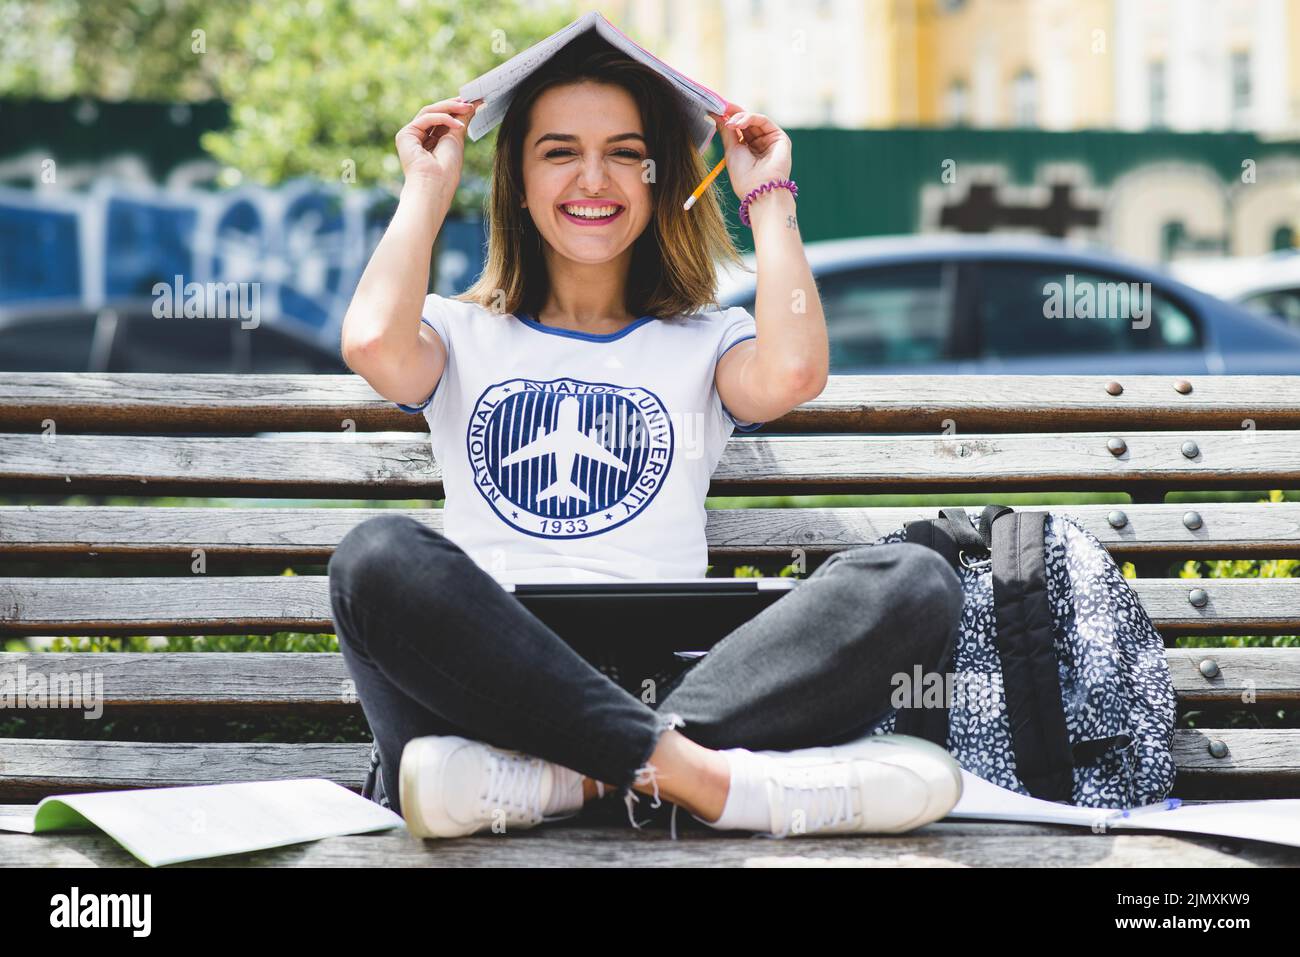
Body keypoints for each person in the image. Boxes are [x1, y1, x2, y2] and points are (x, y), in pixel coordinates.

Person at [330, 41, 965, 841]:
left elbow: (795, 371)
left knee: (913, 580)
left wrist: (769, 197)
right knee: (375, 560)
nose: (593, 179)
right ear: (518, 184)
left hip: (646, 700)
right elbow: (370, 344)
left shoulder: (704, 340)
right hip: (476, 699)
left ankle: (570, 780)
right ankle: (697, 780)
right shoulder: (457, 333)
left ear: (660, 181)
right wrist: (426, 188)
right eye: (559, 154)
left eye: (625, 156)